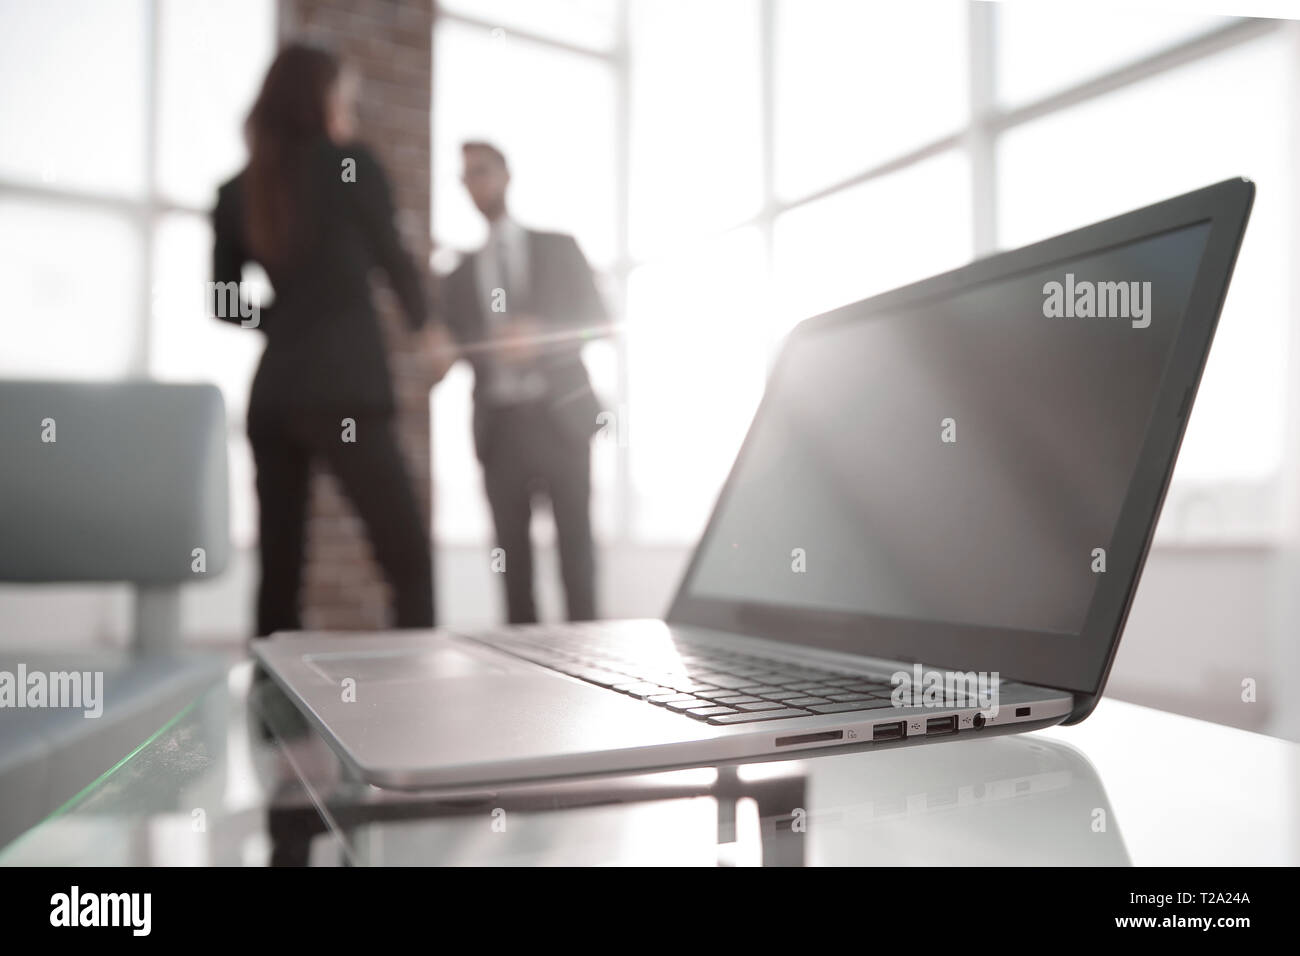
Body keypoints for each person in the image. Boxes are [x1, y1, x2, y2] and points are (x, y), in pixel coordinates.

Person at [212, 44, 449, 636]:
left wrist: (283, 320)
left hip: (274, 398)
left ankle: (271, 725)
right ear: (323, 97)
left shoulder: (238, 188)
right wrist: (429, 330)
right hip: (345, 390)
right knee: (410, 565)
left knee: (279, 573)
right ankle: (415, 717)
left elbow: (221, 302)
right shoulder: (352, 166)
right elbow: (396, 262)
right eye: (344, 93)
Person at [438, 141, 609, 623]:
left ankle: (593, 671)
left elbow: (600, 321)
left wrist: (544, 337)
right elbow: (447, 349)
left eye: (483, 170)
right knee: (512, 568)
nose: (476, 182)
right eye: (466, 175)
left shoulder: (559, 247)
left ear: (507, 174)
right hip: (501, 428)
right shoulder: (457, 275)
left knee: (578, 557)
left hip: (562, 420)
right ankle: (523, 683)